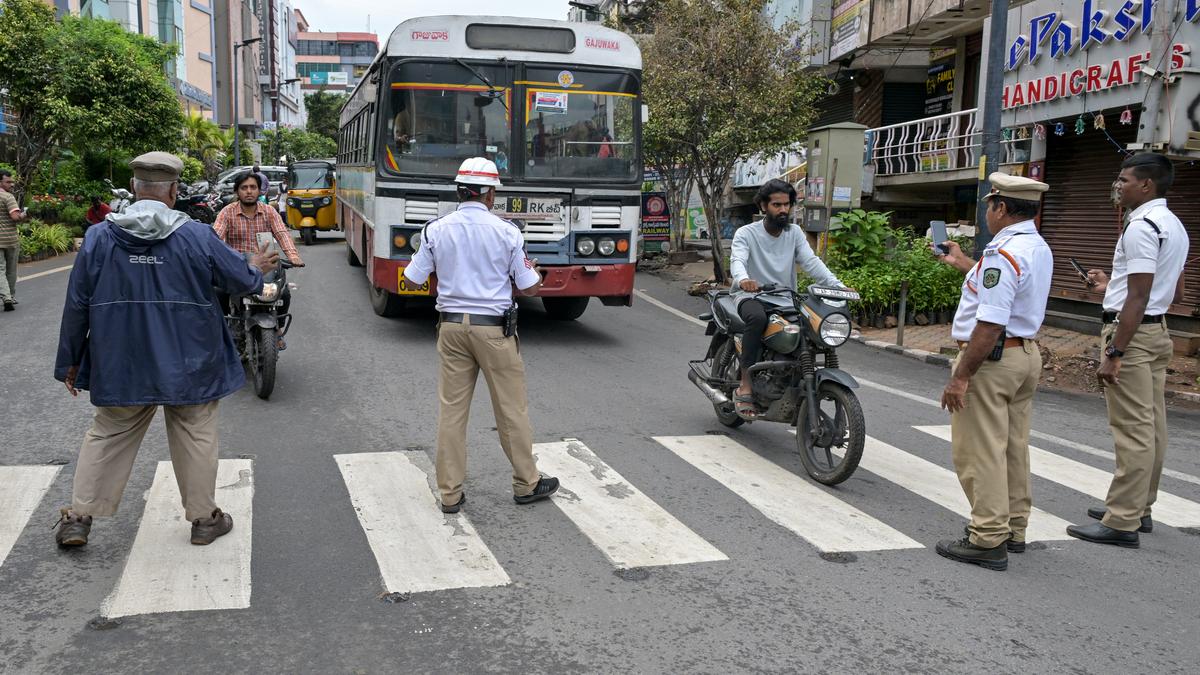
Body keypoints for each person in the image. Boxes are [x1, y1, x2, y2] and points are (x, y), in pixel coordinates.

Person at [52, 152, 279, 548]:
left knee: (108, 432)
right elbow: (239, 278)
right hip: (190, 360)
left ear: (135, 189)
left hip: (123, 359)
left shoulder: (99, 238)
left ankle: (78, 519)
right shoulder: (195, 235)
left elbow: (77, 304)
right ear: (174, 191)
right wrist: (255, 267)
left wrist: (71, 360)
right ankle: (204, 520)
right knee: (195, 432)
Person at [402, 157, 560, 514]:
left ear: (460, 192)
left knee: (452, 412)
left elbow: (412, 279)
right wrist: (536, 274)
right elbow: (529, 287)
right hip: (494, 331)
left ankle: (450, 494)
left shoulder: (435, 229)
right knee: (510, 410)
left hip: (452, 327)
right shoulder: (508, 232)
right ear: (490, 194)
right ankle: (526, 483)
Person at [1066, 153, 1189, 548]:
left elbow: (1138, 296)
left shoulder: (1140, 227)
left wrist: (1115, 352)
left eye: (1124, 180)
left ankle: (1122, 523)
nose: (1118, 186)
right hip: (1157, 332)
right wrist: (1111, 285)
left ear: (1146, 185)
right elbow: (1174, 290)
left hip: (1132, 337)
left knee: (1132, 430)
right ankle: (1140, 507)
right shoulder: (1173, 225)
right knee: (1152, 426)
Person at [933, 173, 1053, 571]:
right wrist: (964, 264)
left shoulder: (1003, 254)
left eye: (989, 205)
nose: (987, 212)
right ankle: (1013, 529)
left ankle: (986, 538)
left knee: (979, 449)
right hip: (1025, 356)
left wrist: (961, 376)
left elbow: (990, 323)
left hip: (993, 359)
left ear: (1001, 208)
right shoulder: (1035, 246)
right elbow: (1001, 293)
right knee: (1012, 446)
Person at [728, 178, 844, 418]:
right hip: (752, 296)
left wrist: (838, 287)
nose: (782, 210)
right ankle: (746, 383)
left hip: (785, 298)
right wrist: (743, 280)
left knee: (811, 326)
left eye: (787, 205)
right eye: (776, 205)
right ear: (763, 206)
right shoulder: (746, 233)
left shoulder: (794, 233)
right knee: (757, 319)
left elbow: (811, 262)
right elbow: (737, 259)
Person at [213, 171, 304, 347]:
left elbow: (282, 233)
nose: (249, 191)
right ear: (237, 191)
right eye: (244, 188)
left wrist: (293, 256)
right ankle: (224, 328)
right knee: (218, 292)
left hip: (267, 266)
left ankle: (277, 329)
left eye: (253, 187)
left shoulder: (269, 211)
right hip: (237, 267)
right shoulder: (227, 212)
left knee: (283, 293)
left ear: (259, 190)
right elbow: (216, 237)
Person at [0, 170, 28, 312]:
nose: (11, 184)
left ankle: (7, 296)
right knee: (10, 270)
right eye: (8, 182)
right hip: (10, 239)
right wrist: (24, 214)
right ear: (0, 182)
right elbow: (15, 217)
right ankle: (9, 296)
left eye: (12, 181)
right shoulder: (8, 197)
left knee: (0, 269)